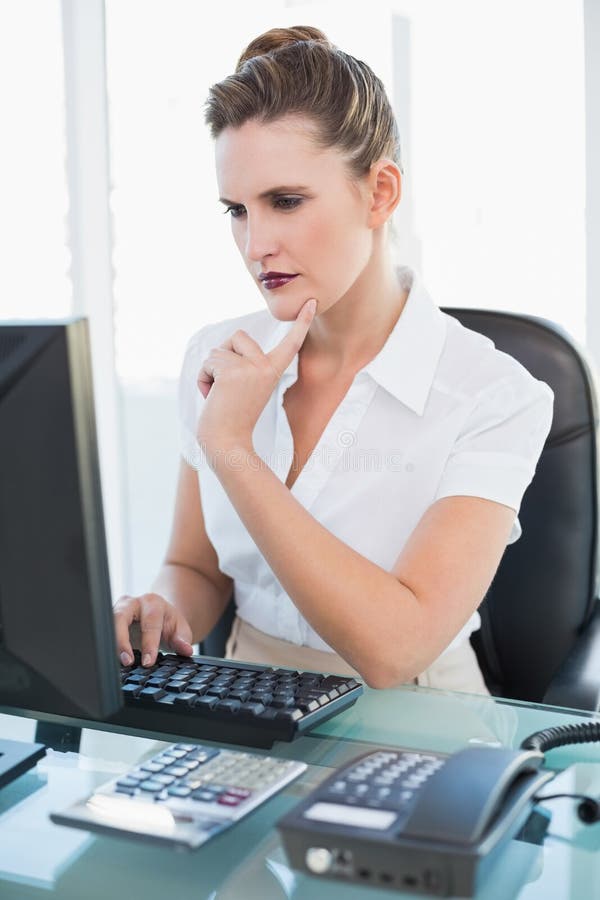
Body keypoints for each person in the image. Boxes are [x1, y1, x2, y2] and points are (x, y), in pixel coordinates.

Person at [113, 25, 553, 693]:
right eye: (238, 209)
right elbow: (197, 569)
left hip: (416, 720)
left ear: (378, 193)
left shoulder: (493, 396)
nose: (255, 243)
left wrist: (233, 448)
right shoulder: (215, 356)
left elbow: (394, 649)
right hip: (247, 704)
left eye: (285, 201)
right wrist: (161, 608)